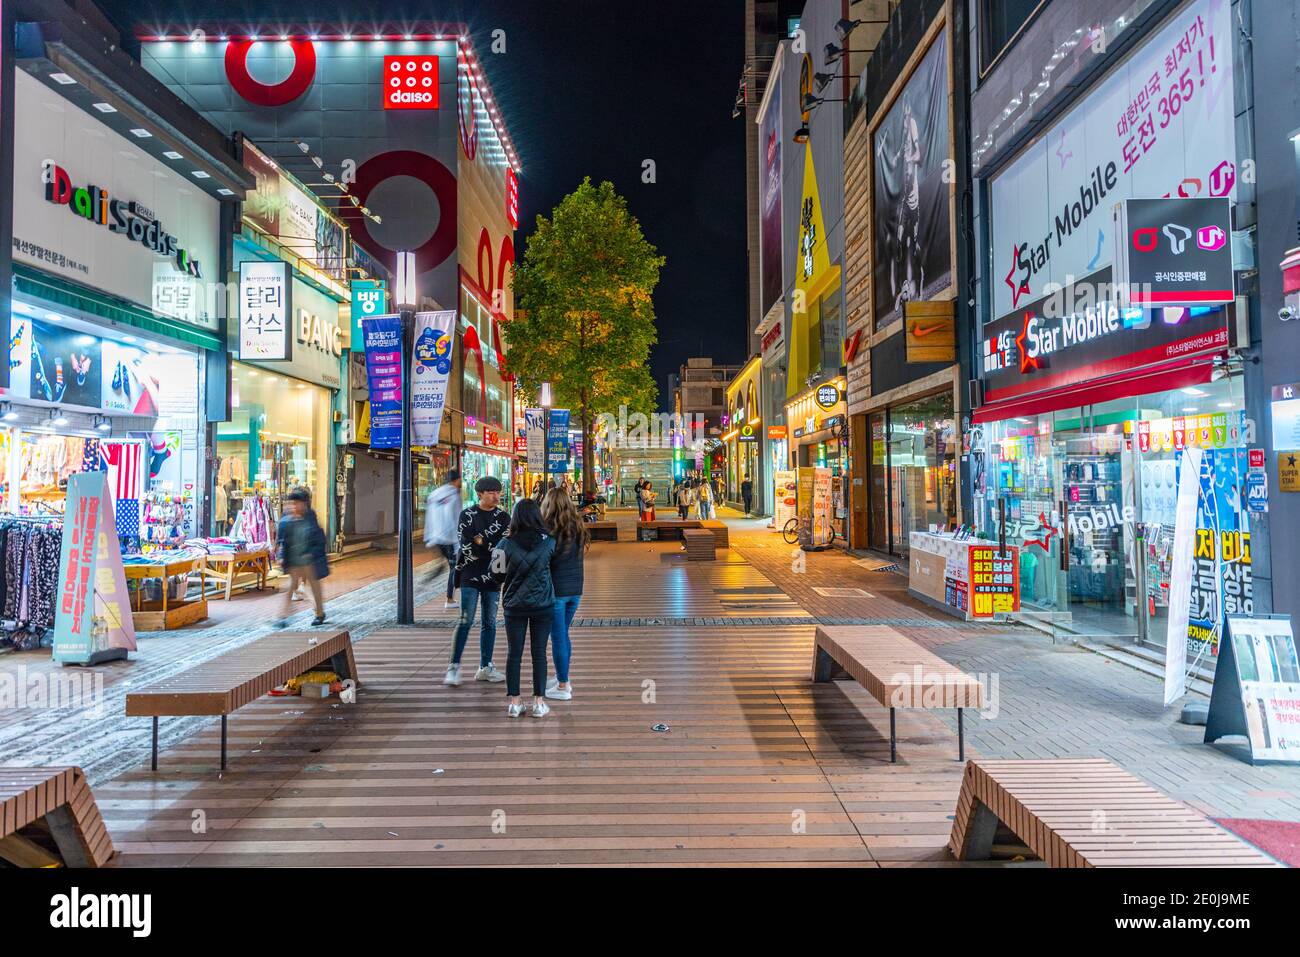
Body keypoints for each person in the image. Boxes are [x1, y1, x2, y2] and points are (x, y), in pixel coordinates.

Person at [493, 498, 556, 718]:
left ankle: (515, 702)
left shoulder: (504, 544)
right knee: (539, 653)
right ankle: (538, 703)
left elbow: (496, 574)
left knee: (514, 654)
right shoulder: (549, 541)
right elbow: (553, 568)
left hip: (514, 605)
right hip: (543, 604)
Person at [444, 476, 509, 686]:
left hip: (495, 574)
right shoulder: (468, 515)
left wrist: (481, 541)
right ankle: (453, 667)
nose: (496, 496)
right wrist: (487, 544)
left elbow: (504, 544)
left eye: (498, 492)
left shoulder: (503, 517)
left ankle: (485, 666)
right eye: (491, 492)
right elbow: (467, 544)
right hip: (469, 573)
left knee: (490, 622)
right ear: (479, 494)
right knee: (466, 619)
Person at [541, 487, 587, 701]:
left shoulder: (548, 530)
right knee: (563, 634)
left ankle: (563, 685)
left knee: (558, 636)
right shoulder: (577, 526)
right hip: (575, 590)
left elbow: (544, 561)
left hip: (556, 590)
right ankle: (562, 677)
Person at [274, 488, 329, 627]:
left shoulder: (311, 519)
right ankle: (283, 617)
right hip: (294, 561)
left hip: (309, 561)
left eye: (297, 503)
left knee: (313, 587)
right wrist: (281, 556)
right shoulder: (285, 522)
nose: (294, 506)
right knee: (289, 588)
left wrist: (312, 553)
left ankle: (319, 613)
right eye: (292, 503)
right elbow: (282, 543)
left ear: (305, 504)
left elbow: (320, 539)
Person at [423, 469, 463, 608]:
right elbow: (456, 518)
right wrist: (458, 541)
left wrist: (428, 536)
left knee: (449, 565)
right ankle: (449, 600)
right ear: (456, 480)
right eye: (460, 480)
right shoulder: (454, 495)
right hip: (449, 538)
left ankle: (436, 573)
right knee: (454, 567)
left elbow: (428, 516)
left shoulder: (434, 494)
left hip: (436, 536)